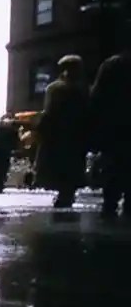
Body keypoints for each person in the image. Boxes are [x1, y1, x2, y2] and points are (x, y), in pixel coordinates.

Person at [35, 55, 90, 208]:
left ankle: (64, 196)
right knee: (71, 169)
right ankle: (67, 195)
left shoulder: (54, 88)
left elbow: (49, 113)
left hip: (57, 136)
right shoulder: (82, 89)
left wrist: (40, 130)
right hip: (75, 136)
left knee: (58, 168)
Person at [89, 51, 130, 218]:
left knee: (113, 171)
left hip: (114, 129)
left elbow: (96, 98)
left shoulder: (111, 65)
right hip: (119, 128)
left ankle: (109, 208)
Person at [0, 113, 19, 194]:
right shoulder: (12, 126)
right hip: (6, 150)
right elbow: (15, 139)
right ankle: (0, 184)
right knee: (3, 168)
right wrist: (15, 148)